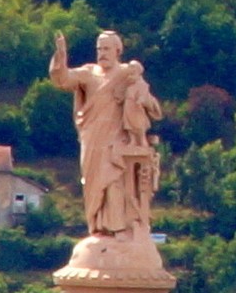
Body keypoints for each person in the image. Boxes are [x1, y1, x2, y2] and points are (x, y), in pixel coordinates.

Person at [49, 30, 162, 237]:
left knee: (115, 181)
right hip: (91, 139)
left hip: (116, 140)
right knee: (93, 185)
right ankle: (98, 228)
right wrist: (61, 55)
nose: (102, 53)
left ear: (118, 50)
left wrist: (141, 102)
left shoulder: (126, 73)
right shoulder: (89, 73)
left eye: (107, 48)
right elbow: (63, 80)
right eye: (99, 49)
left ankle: (118, 228)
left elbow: (147, 99)